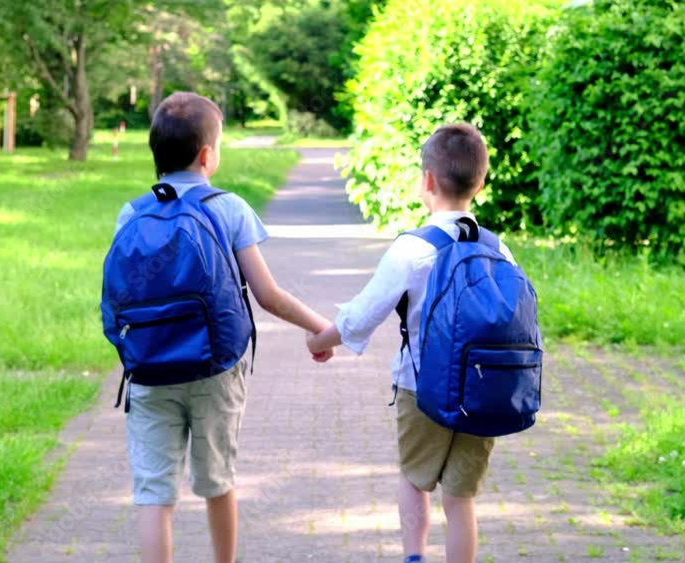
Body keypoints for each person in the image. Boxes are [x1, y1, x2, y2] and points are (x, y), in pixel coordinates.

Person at [114, 91, 333, 563]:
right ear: (207, 155)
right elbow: (267, 294)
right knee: (217, 480)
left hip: (149, 366)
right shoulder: (227, 208)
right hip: (215, 365)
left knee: (153, 491)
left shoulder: (131, 214)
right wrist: (320, 328)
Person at [306, 124, 517, 563]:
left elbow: (363, 314)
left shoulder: (413, 248)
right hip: (484, 390)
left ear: (427, 181)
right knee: (460, 500)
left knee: (413, 479)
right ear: (480, 183)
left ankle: (414, 556)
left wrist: (319, 340)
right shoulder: (500, 249)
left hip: (422, 388)